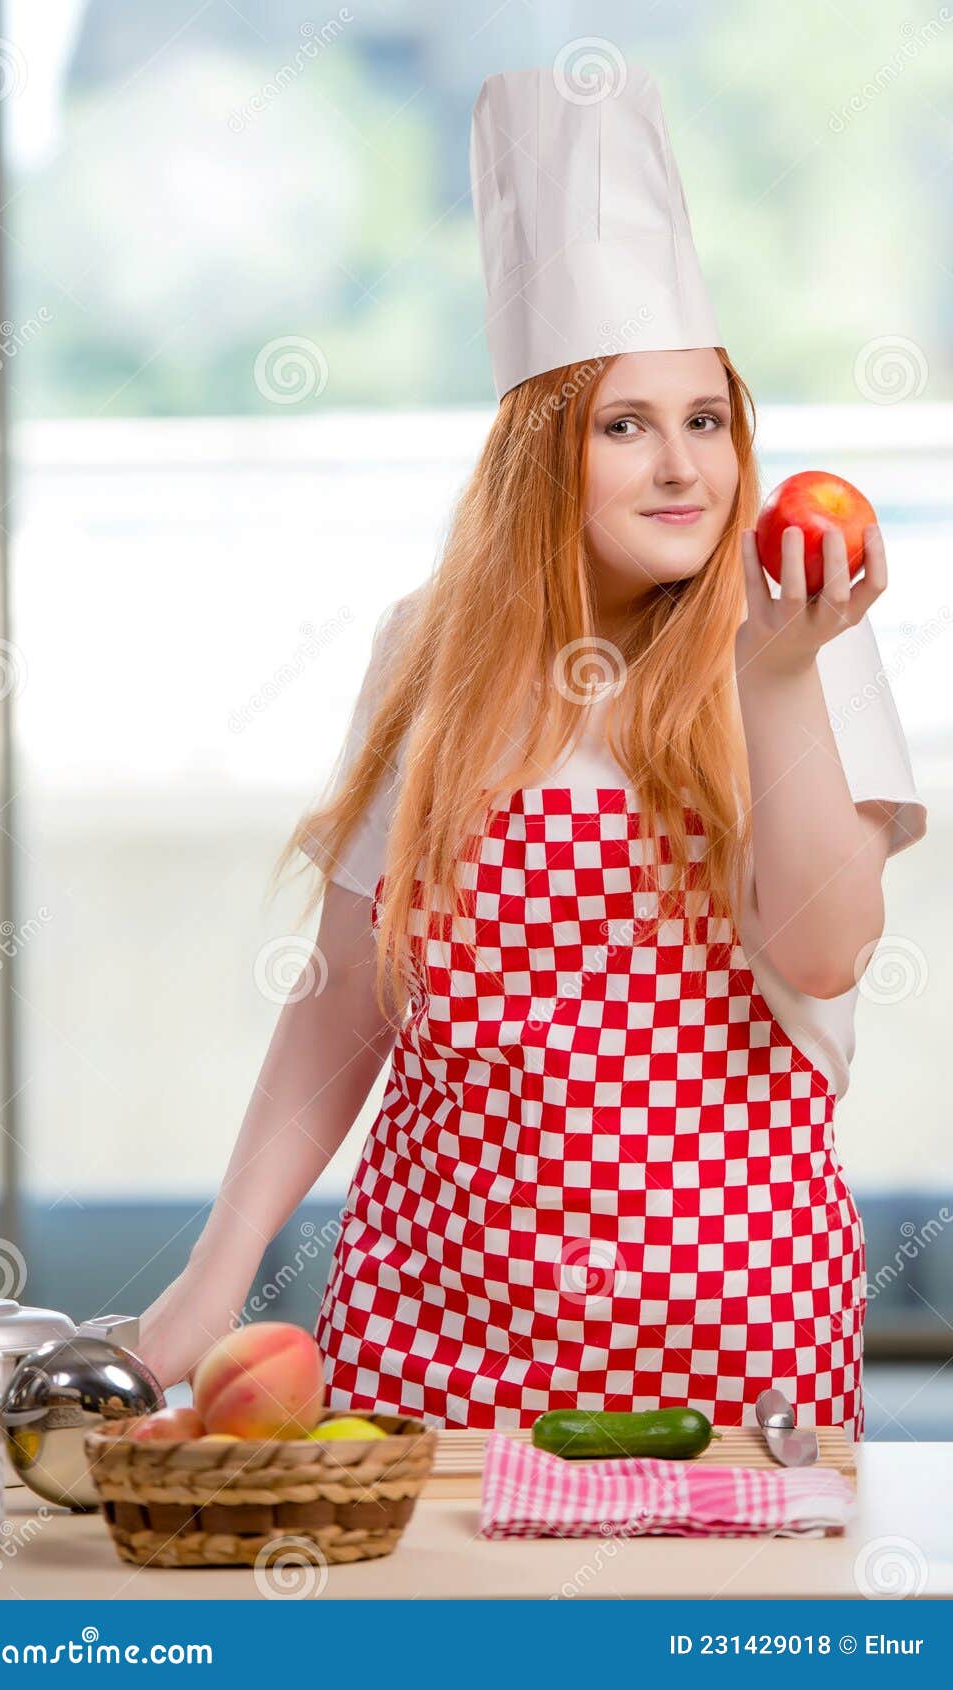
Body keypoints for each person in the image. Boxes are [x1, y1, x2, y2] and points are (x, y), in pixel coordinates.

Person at [136, 65, 927, 1439]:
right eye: (627, 425)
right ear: (540, 454)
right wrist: (212, 1279)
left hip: (736, 1347)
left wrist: (780, 678)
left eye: (705, 421)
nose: (683, 467)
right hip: (437, 1335)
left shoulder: (802, 626)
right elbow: (344, 997)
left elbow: (823, 951)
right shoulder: (426, 653)